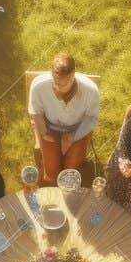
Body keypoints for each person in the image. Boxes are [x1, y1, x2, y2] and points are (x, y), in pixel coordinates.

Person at [27, 52, 100, 184]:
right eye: (55, 82)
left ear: (72, 77)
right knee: (51, 174)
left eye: (63, 85)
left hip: (77, 129)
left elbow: (91, 118)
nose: (57, 88)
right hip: (49, 128)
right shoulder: (38, 86)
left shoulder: (90, 90)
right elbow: (36, 112)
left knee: (70, 171)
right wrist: (43, 134)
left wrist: (73, 136)